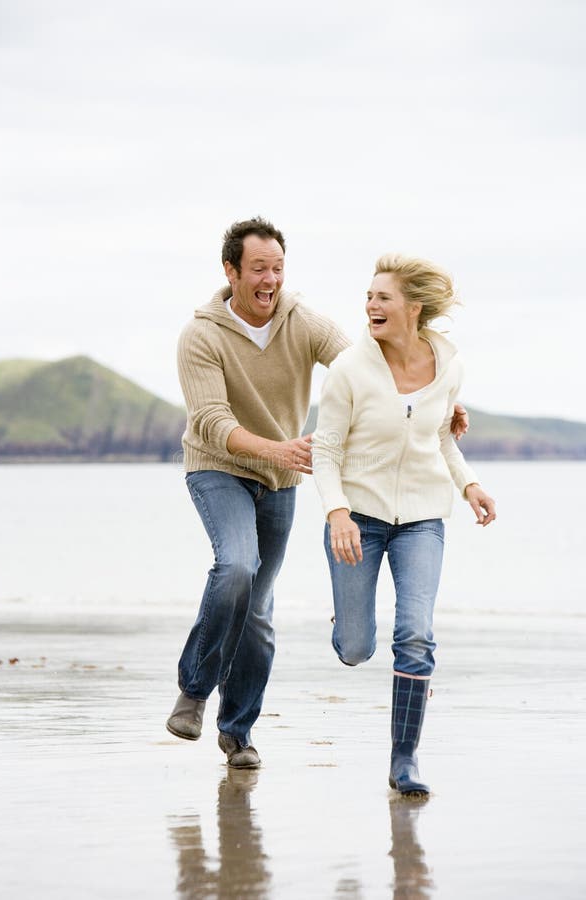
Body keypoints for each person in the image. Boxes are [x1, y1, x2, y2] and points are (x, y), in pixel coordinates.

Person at [167, 221, 468, 770]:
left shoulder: (300, 322)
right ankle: (194, 689)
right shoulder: (201, 336)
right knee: (237, 566)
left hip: (279, 482)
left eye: (278, 268)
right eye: (259, 268)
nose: (271, 279)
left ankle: (238, 732)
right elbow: (210, 421)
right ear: (230, 271)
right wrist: (277, 450)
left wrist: (432, 398)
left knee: (257, 609)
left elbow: (364, 364)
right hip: (219, 468)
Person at [313, 253, 495, 796]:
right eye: (369, 296)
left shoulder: (448, 365)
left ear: (413, 309)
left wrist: (469, 484)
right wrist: (337, 511)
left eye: (383, 297)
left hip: (422, 519)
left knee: (415, 636)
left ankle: (404, 760)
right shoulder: (349, 368)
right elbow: (325, 451)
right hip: (357, 520)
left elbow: (440, 436)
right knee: (355, 647)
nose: (371, 305)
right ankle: (347, 627)